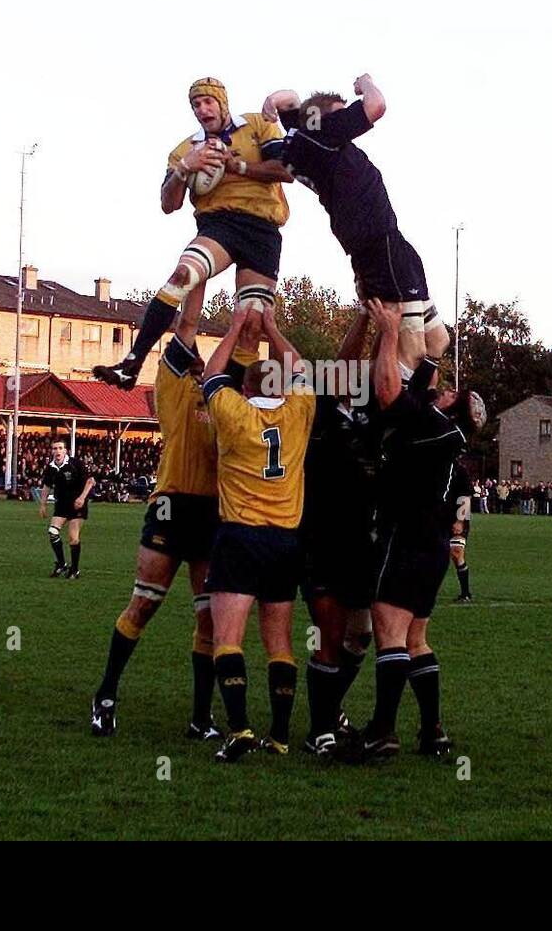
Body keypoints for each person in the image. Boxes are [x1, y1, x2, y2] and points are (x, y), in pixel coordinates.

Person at [92, 285, 258, 740]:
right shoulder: (173, 388)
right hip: (171, 503)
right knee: (145, 602)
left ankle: (200, 717)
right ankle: (105, 695)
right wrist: (200, 271)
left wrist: (252, 310)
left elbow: (245, 351)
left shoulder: (227, 401)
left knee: (207, 616)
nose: (205, 362)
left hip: (211, 511)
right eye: (199, 359)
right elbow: (186, 323)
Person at [93, 77, 293, 390]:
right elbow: (168, 204)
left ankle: (232, 395)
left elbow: (286, 170)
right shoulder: (184, 149)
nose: (202, 109)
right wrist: (185, 169)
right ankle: (132, 364)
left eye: (208, 102)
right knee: (182, 275)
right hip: (218, 226)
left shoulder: (256, 124)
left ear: (222, 102)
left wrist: (235, 167)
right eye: (196, 105)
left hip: (263, 230)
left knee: (252, 325)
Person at [353, 300, 487, 761]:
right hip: (432, 553)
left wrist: (391, 330)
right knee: (416, 639)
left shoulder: (430, 423)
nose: (444, 390)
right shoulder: (446, 438)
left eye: (451, 393)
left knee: (389, 633)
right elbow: (419, 385)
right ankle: (433, 732)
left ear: (450, 411)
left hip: (405, 540)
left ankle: (382, 731)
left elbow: (390, 392)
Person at [261, 74, 449, 375]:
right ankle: (391, 409)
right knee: (412, 349)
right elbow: (376, 105)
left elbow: (290, 100)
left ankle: (416, 405)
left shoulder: (307, 136)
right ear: (324, 118)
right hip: (378, 245)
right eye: (340, 112)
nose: (347, 119)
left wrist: (271, 102)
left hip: (387, 242)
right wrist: (366, 82)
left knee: (438, 340)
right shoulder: (323, 134)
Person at [200, 304, 316, 762]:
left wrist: (232, 330)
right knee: (280, 642)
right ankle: (282, 734)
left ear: (244, 386)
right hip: (285, 541)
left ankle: (240, 728)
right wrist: (272, 329)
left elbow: (212, 373)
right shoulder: (299, 412)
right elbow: (302, 369)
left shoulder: (233, 412)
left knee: (227, 637)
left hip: (239, 535)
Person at [298, 309, 377, 757]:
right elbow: (344, 361)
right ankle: (319, 731)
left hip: (359, 544)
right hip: (321, 539)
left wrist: (389, 328)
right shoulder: (322, 412)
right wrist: (366, 317)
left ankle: (332, 711)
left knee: (359, 636)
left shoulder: (366, 416)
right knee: (329, 636)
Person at [39, 441, 94, 579]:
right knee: (52, 532)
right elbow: (46, 486)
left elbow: (90, 481)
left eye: (60, 448)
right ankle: (62, 564)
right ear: (51, 451)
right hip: (62, 504)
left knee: (73, 538)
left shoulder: (76, 464)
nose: (57, 451)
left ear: (65, 451)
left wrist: (82, 498)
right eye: (54, 448)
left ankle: (75, 570)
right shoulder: (50, 468)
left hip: (77, 504)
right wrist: (43, 504)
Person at [448, 458, 475, 603]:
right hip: (440, 517)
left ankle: (465, 594)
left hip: (458, 517)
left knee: (456, 552)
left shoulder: (460, 470)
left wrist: (460, 520)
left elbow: (466, 497)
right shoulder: (437, 468)